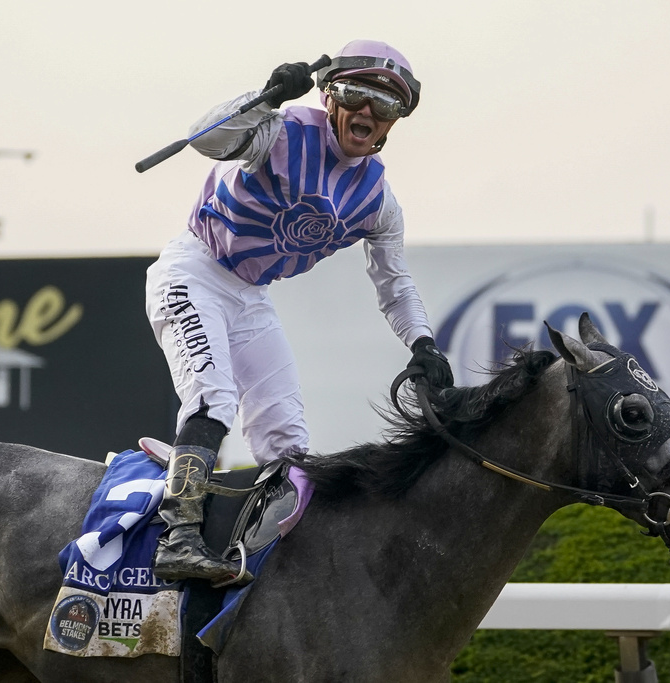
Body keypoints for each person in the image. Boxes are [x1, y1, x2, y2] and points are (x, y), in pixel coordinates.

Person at [145, 40, 454, 583]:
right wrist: (262, 99)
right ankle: (179, 537)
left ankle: (272, 552)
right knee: (213, 399)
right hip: (194, 270)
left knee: (287, 440)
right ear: (329, 97)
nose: (368, 112)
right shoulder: (280, 131)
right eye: (357, 94)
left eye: (386, 106)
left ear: (393, 126)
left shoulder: (379, 202)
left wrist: (423, 343)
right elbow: (204, 138)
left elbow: (395, 283)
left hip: (251, 295)